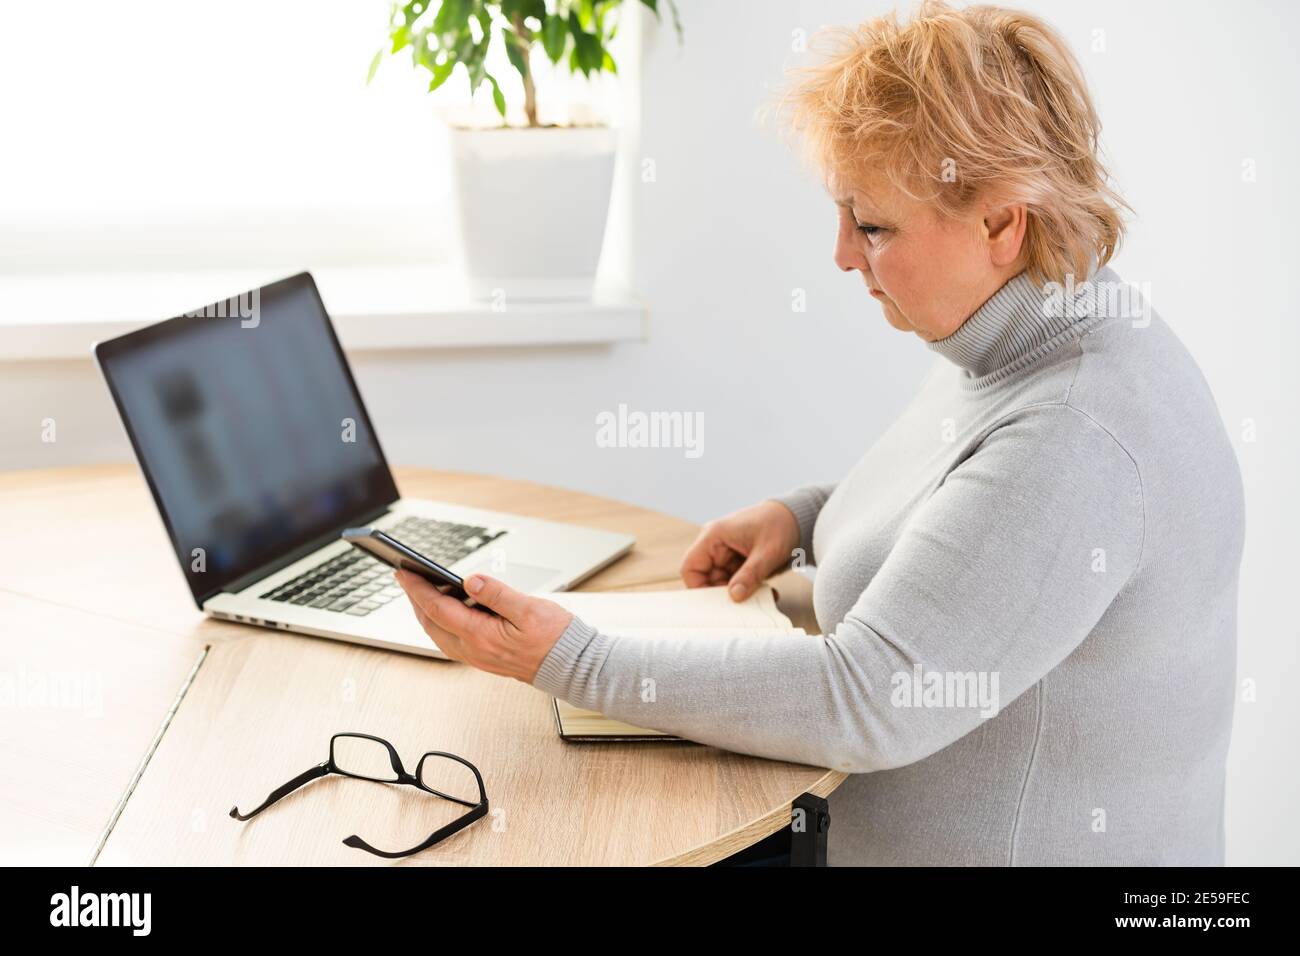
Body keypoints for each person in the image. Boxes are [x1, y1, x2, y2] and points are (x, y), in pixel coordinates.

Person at [396, 1, 1245, 865]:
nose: (842, 253)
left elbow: (869, 700)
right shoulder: (1029, 329)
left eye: (872, 226)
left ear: (1000, 222)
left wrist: (570, 660)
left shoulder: (1078, 432)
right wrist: (804, 520)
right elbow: (969, 506)